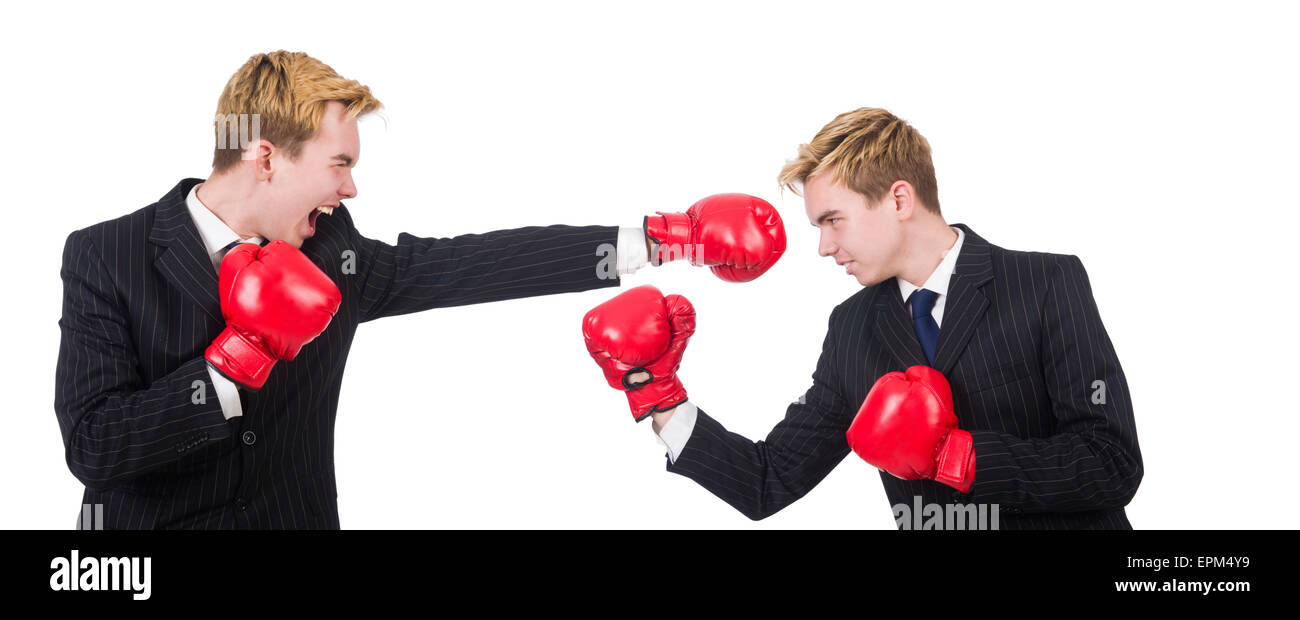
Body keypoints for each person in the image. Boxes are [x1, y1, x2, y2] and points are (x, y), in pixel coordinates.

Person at [53, 50, 786, 529]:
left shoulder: (333, 254)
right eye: (338, 164)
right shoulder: (107, 254)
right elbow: (93, 446)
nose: (350, 188)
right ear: (266, 156)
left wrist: (660, 239)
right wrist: (232, 362)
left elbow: (471, 265)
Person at [582, 107, 1144, 529]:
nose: (824, 247)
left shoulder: (1046, 283)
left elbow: (1113, 462)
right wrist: (660, 398)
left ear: (899, 199)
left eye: (833, 220)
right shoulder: (851, 328)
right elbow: (767, 479)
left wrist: (960, 457)